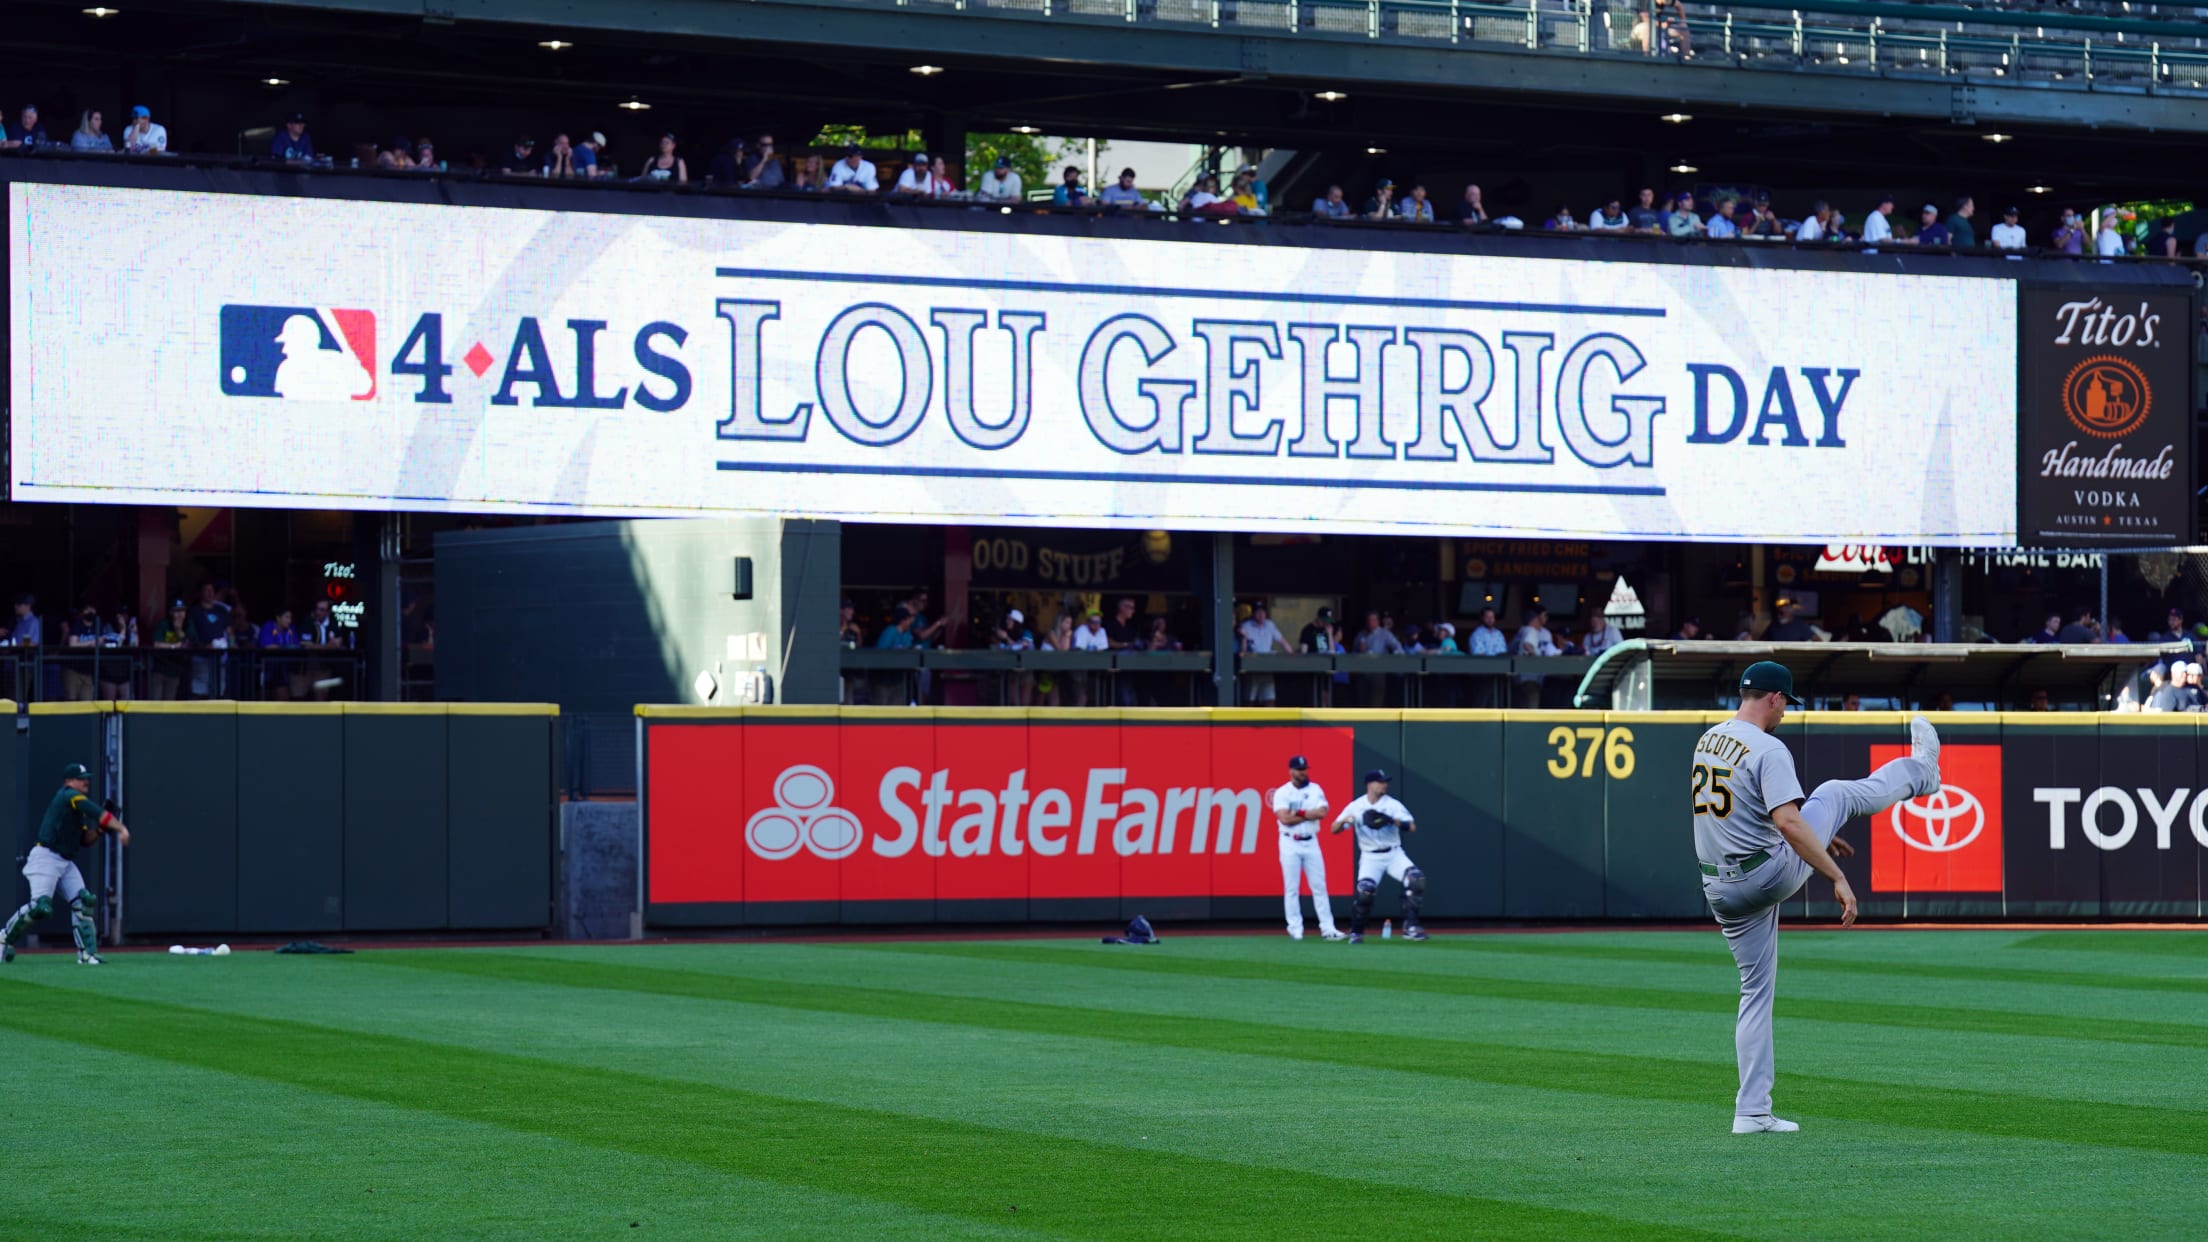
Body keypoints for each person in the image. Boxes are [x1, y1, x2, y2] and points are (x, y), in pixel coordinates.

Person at [1694, 662, 1940, 1133]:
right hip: (1766, 874)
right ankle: (1924, 774)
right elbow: (1786, 823)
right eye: (1787, 703)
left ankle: (1752, 1113)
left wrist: (1815, 840)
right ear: (1775, 699)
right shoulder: (1769, 747)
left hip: (1719, 887)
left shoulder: (1707, 739)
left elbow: (1754, 816)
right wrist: (1835, 875)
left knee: (1754, 994)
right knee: (1834, 794)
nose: (1786, 712)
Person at [2, 762, 131, 966]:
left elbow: (85, 840)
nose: (85, 782)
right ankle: (3, 938)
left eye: (86, 778)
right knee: (40, 908)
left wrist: (100, 830)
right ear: (69, 781)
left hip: (64, 860)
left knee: (83, 902)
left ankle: (87, 955)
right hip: (45, 857)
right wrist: (120, 828)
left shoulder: (75, 807)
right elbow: (97, 812)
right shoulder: (68, 796)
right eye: (81, 779)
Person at [1331, 769, 1426, 943]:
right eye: (1380, 782)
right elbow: (1333, 829)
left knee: (1416, 879)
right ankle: (1357, 931)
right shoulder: (1356, 806)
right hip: (1370, 857)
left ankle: (1410, 927)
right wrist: (1346, 820)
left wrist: (1391, 820)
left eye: (1385, 782)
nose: (1384, 785)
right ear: (1370, 784)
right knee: (1365, 892)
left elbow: (1411, 826)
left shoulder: (1392, 805)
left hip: (1394, 853)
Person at [1273, 755, 1345, 941]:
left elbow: (1322, 813)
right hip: (1289, 842)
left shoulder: (1315, 789)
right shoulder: (1282, 792)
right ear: (1291, 771)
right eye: (1299, 769)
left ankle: (1328, 928)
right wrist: (1307, 814)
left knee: (1319, 886)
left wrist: (1298, 812)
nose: (1303, 772)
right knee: (1292, 888)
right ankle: (1295, 928)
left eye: (1304, 769)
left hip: (1311, 840)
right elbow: (1285, 819)